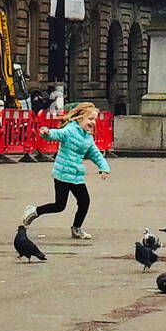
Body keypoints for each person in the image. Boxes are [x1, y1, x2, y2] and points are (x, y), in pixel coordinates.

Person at [23, 101, 109, 240]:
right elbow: (58, 134)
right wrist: (47, 132)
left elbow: (96, 154)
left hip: (76, 175)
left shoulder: (88, 137)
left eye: (95, 119)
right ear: (80, 118)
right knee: (59, 205)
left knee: (84, 201)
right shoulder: (70, 130)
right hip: (62, 174)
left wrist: (103, 167)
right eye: (90, 119)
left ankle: (76, 228)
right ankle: (34, 211)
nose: (93, 122)